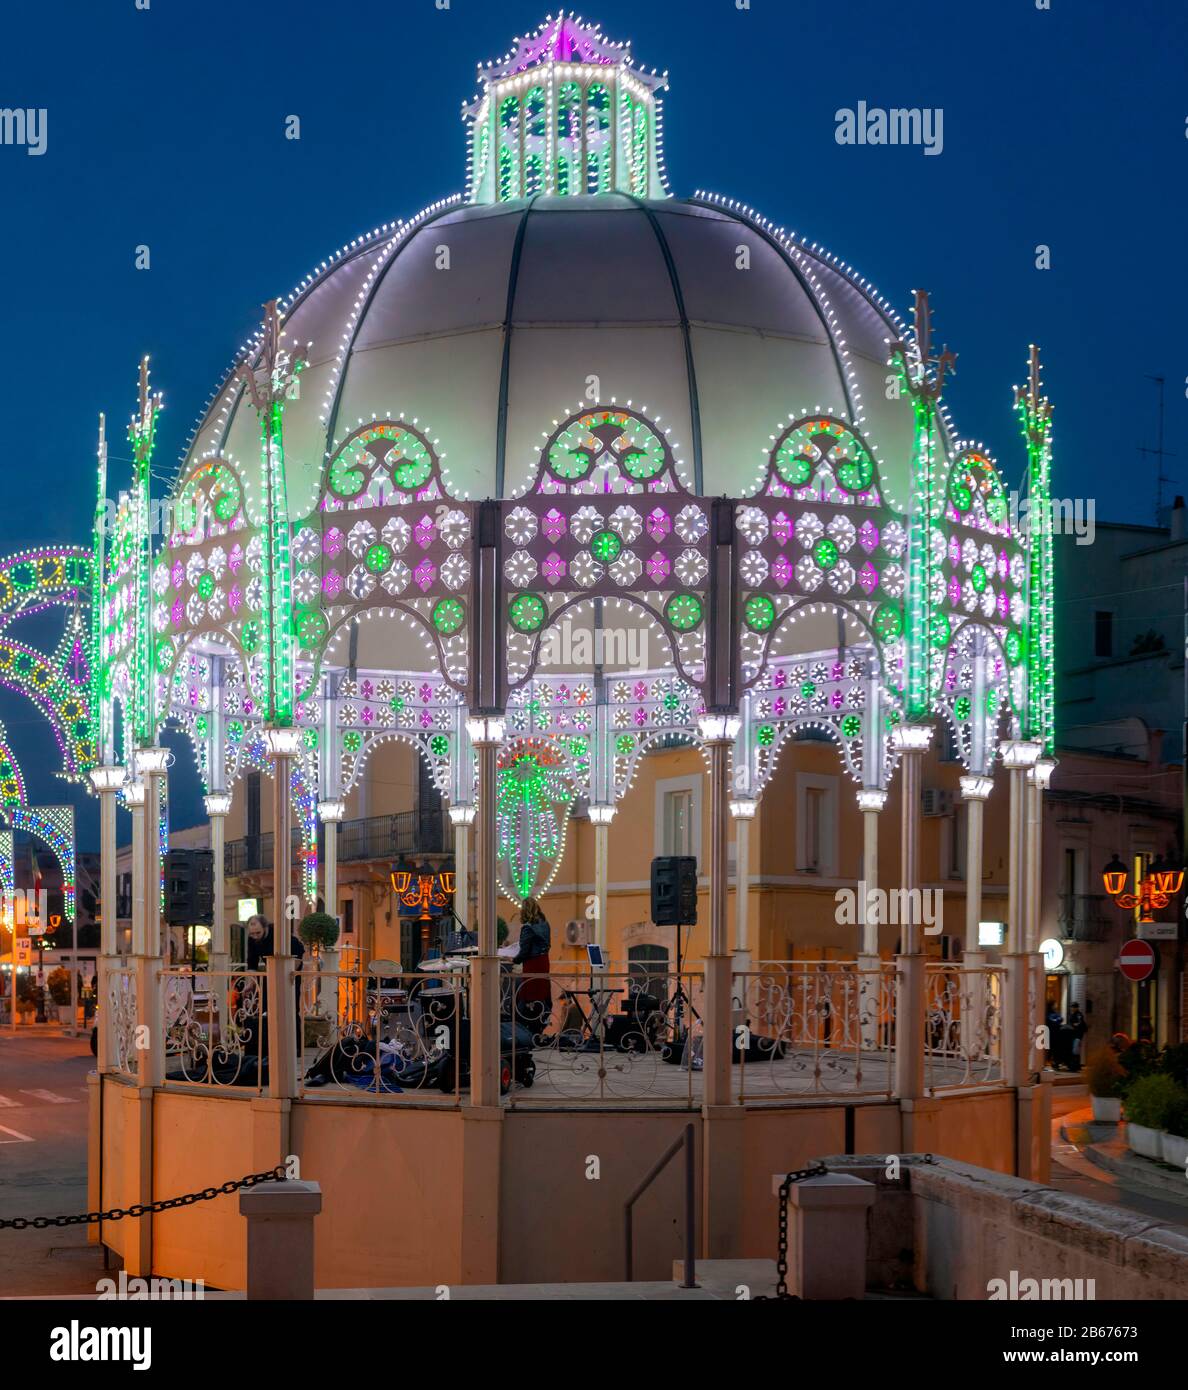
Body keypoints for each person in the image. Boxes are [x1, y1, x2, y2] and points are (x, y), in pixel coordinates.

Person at [510, 897, 551, 1034]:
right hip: (544, 962)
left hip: (532, 964)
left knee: (528, 996)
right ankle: (539, 1027)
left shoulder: (527, 928)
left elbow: (524, 951)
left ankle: (526, 1029)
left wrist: (513, 960)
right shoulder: (545, 924)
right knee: (542, 994)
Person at [1067, 1003, 1087, 1072]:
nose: (1071, 1008)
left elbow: (1078, 1024)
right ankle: (1077, 1066)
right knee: (1076, 1050)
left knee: (1075, 1050)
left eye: (1073, 1007)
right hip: (1075, 1034)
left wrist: (1074, 1025)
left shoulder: (1078, 1015)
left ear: (1076, 1008)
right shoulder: (1074, 1014)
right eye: (1071, 1007)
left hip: (1077, 1035)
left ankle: (1074, 1067)